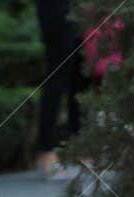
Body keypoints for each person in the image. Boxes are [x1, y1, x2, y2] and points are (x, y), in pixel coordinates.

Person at [33, 0, 83, 180]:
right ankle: (45, 151)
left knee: (80, 76)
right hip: (57, 8)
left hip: (80, 9)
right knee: (58, 75)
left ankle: (79, 146)